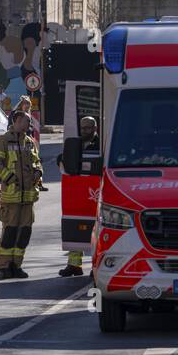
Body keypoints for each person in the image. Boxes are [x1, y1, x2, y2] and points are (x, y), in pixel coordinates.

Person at [0, 109, 43, 279]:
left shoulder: (29, 142)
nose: (29, 124)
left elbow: (37, 161)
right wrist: (9, 177)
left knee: (24, 233)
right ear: (17, 120)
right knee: (10, 232)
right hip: (11, 196)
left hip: (28, 196)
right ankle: (4, 267)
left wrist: (38, 172)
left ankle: (17, 266)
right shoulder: (3, 141)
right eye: (27, 121)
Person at [56, 115, 98, 278]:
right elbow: (64, 158)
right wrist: (62, 159)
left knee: (97, 231)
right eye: (83, 127)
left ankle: (96, 268)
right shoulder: (76, 143)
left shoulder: (100, 143)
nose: (84, 130)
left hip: (94, 191)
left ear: (95, 128)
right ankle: (74, 265)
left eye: (88, 127)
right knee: (76, 226)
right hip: (79, 191)